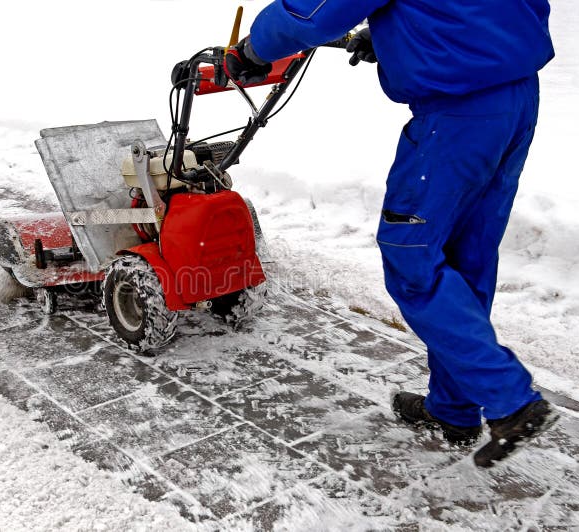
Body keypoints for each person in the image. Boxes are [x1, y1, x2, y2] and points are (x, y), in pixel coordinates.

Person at [224, 0, 558, 467]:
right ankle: (454, 409)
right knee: (466, 255)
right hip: (516, 94)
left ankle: (509, 399)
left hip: (458, 113)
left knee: (413, 258)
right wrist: (398, 36)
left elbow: (313, 13)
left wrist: (252, 50)